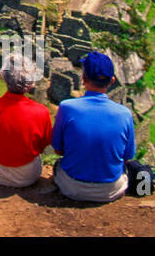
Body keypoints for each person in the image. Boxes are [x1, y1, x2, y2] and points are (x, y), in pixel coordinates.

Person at [50, 51, 136, 203]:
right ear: (112, 81)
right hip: (110, 190)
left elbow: (58, 150)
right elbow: (128, 157)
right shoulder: (125, 114)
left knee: (58, 165)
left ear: (83, 79)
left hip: (72, 188)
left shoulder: (66, 107)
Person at [0, 53, 51, 187]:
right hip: (26, 176)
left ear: (4, 76)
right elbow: (42, 145)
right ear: (30, 83)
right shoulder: (41, 112)